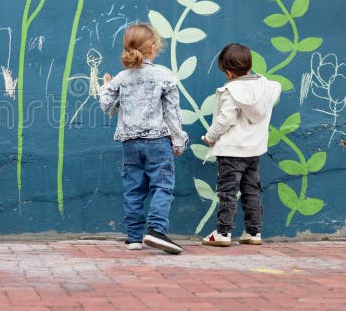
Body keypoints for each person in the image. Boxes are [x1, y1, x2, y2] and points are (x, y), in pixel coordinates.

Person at [99, 23, 188, 254]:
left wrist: (106, 87)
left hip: (129, 143)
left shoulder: (120, 78)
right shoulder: (163, 76)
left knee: (133, 189)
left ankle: (134, 238)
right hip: (157, 141)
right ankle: (156, 230)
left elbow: (108, 107)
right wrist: (179, 141)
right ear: (154, 48)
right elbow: (173, 113)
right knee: (162, 186)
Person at [201, 43, 281, 247]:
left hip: (231, 151)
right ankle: (253, 232)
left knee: (227, 191)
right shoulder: (266, 87)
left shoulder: (232, 90)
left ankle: (223, 232)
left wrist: (210, 137)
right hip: (254, 150)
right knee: (252, 190)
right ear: (249, 65)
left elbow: (224, 119)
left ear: (228, 72)